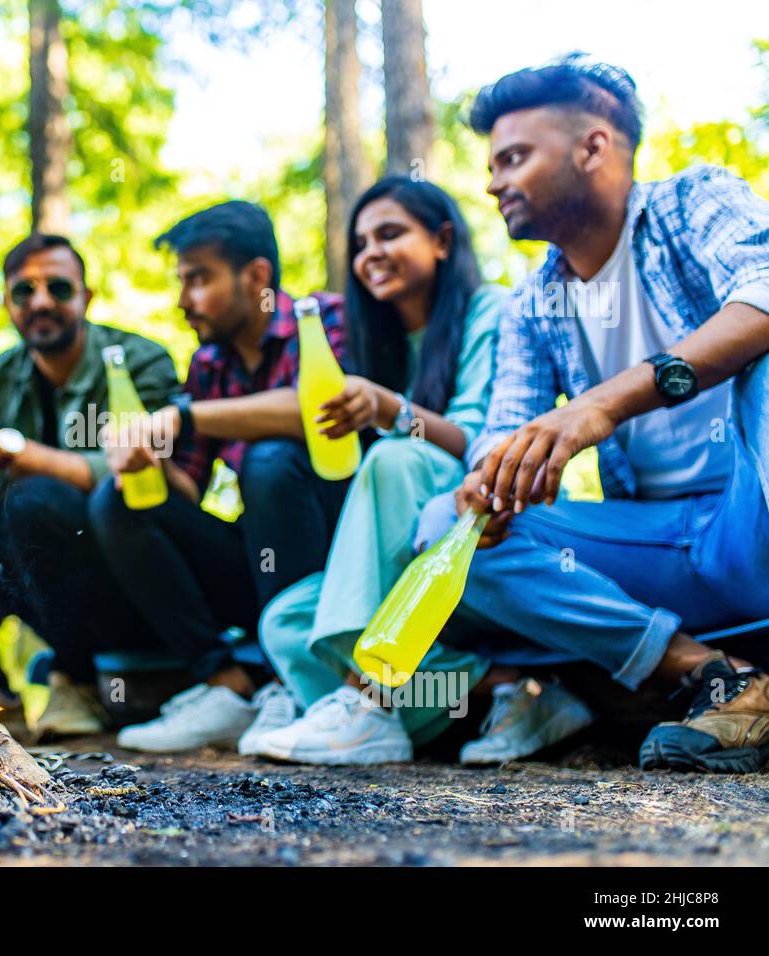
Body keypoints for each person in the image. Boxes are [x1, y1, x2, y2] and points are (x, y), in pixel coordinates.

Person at [417, 56, 769, 772]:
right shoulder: (531, 303)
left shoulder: (690, 202)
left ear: (593, 147)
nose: (492, 183)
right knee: (447, 529)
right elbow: (500, 432)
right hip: (663, 547)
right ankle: (710, 673)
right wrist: (495, 482)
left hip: (751, 512)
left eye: (513, 158)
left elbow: (765, 291)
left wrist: (601, 405)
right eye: (489, 165)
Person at [241, 178, 511, 765]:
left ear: (442, 240)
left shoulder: (488, 307)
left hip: (470, 514)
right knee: (285, 623)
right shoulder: (371, 336)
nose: (371, 255)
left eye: (390, 234)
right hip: (407, 548)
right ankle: (498, 687)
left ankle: (366, 702)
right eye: (361, 244)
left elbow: (473, 442)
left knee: (394, 456)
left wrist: (389, 408)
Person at [0, 233, 180, 739]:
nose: (41, 301)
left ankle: (77, 679)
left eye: (59, 288)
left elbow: (146, 475)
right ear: (9, 305)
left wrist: (6, 447)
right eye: (25, 291)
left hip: (127, 571)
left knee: (33, 497)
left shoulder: (138, 360)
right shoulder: (5, 375)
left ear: (89, 296)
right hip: (35, 579)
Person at [93, 200, 351, 753]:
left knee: (270, 459)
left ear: (256, 276)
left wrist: (185, 415)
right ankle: (226, 686)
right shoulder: (208, 364)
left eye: (199, 279)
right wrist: (147, 461)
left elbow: (317, 408)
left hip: (343, 561)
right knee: (117, 503)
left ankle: (298, 679)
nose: (184, 300)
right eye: (181, 282)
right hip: (263, 564)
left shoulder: (324, 318)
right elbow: (188, 489)